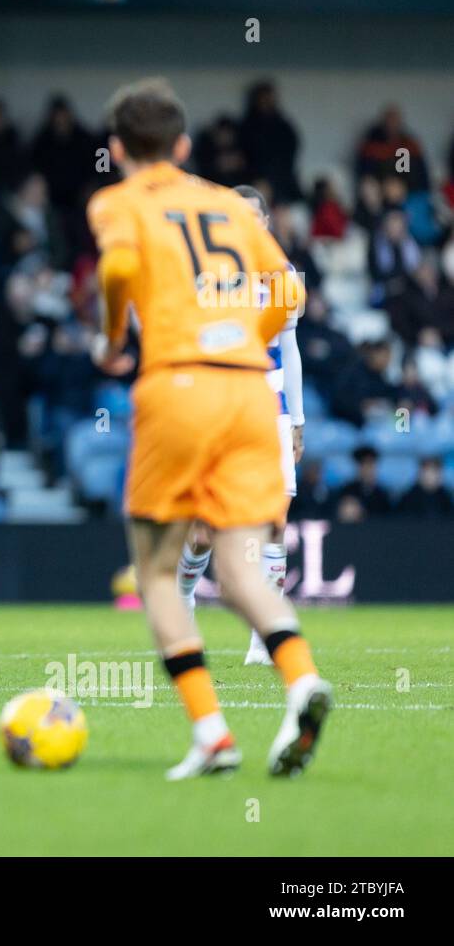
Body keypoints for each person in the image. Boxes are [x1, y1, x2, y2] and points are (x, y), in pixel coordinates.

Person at [87, 78, 329, 780]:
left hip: (179, 385)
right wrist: (243, 342)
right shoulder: (228, 206)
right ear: (185, 145)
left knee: (159, 571)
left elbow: (121, 266)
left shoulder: (119, 201)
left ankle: (213, 733)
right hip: (252, 392)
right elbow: (289, 289)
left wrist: (111, 341)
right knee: (240, 562)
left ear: (118, 149)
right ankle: (303, 680)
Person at [176, 185, 305, 668]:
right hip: (218, 402)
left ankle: (262, 638)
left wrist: (297, 418)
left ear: (267, 223)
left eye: (255, 217)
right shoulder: (207, 272)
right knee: (206, 529)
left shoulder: (284, 276)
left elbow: (289, 348)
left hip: (268, 400)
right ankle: (185, 591)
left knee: (275, 519)